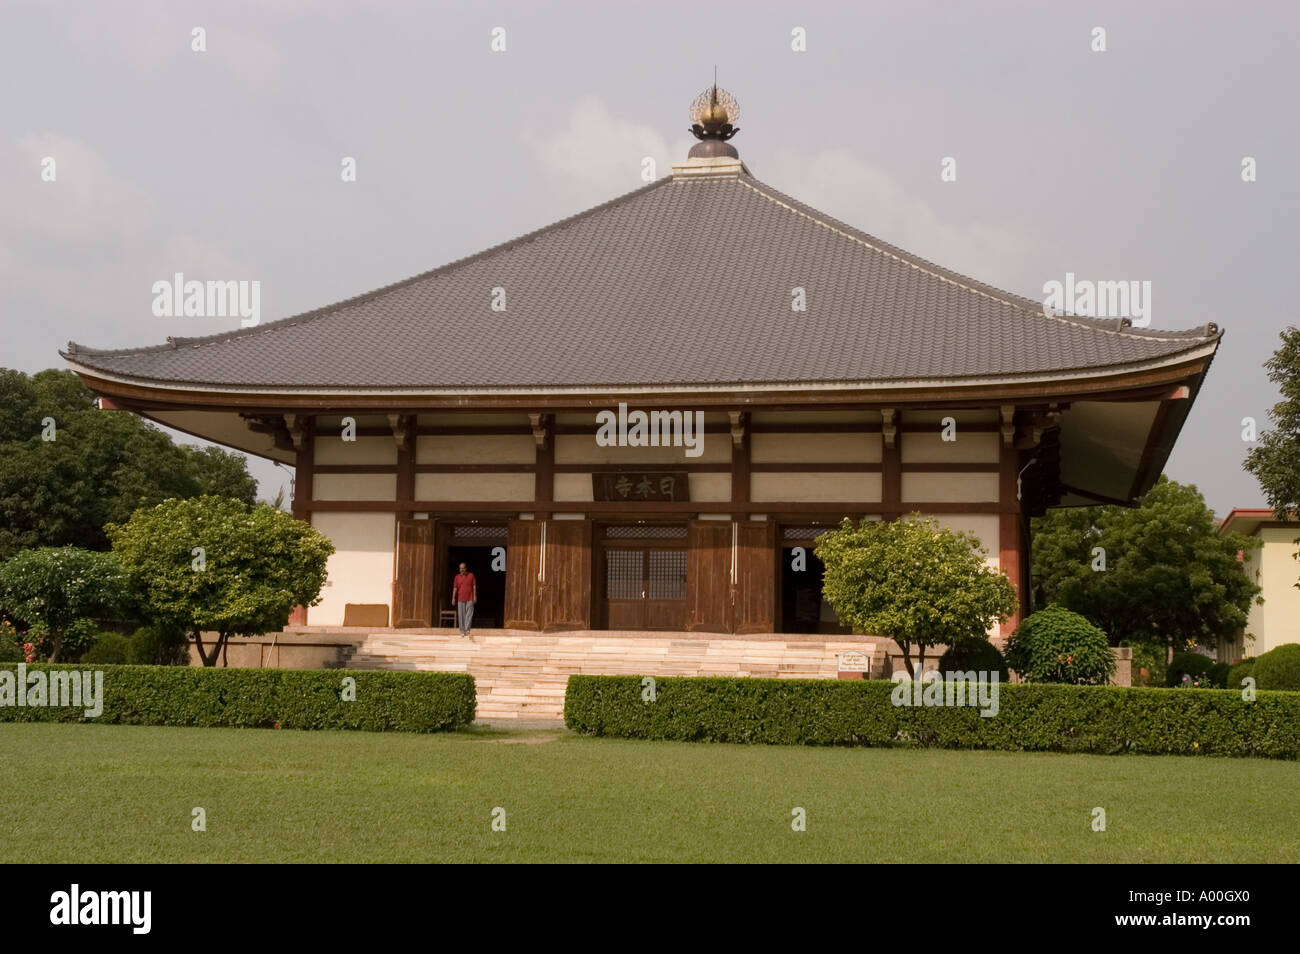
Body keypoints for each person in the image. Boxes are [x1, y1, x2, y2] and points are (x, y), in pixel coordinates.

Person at [451, 562, 477, 637]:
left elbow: (474, 586)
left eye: (463, 568)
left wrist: (475, 596)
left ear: (466, 568)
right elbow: (455, 588)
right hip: (460, 598)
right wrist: (453, 598)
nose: (462, 570)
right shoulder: (457, 577)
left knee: (469, 614)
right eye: (460, 568)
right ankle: (462, 631)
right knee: (461, 615)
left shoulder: (471, 575)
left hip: (470, 597)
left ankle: (467, 630)